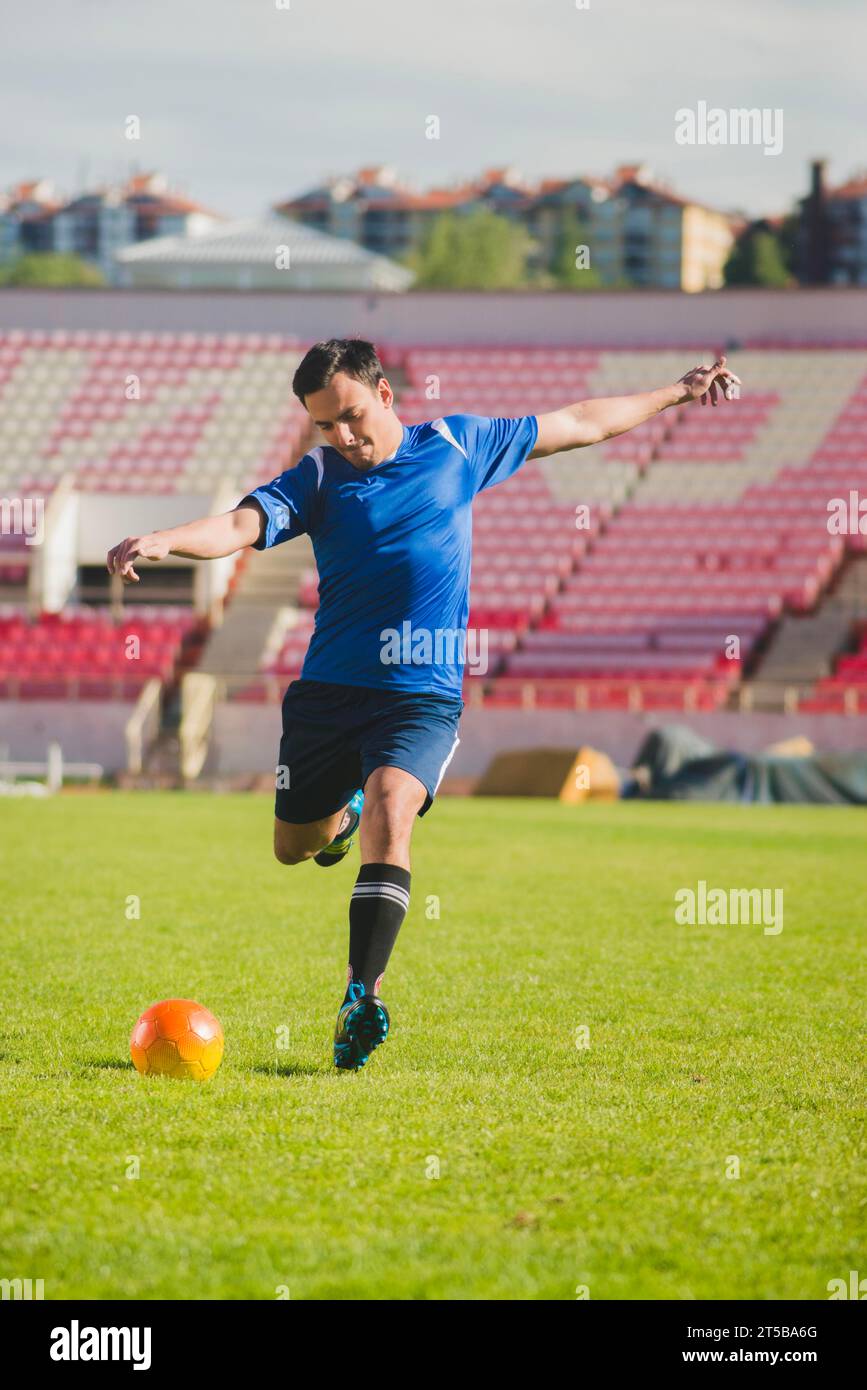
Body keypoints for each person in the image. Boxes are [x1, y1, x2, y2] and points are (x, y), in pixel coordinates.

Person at [107, 337, 741, 1070]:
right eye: (325, 426)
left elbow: (579, 422)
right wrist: (164, 541)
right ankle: (335, 820)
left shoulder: (457, 445)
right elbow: (238, 526)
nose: (342, 437)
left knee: (392, 808)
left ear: (384, 394)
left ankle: (360, 994)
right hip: (328, 696)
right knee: (294, 848)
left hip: (420, 696)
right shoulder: (316, 477)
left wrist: (677, 390)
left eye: (350, 416)